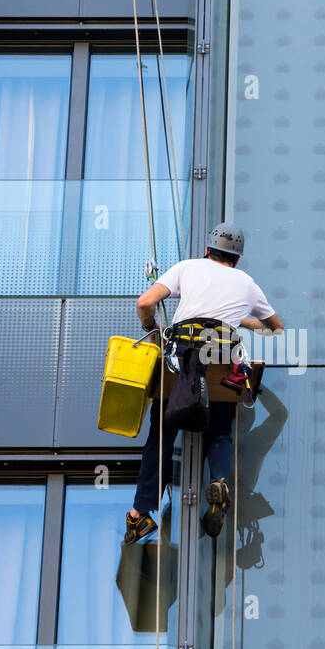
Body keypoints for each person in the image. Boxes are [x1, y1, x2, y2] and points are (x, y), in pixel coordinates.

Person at [124, 222, 284, 544]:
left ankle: (140, 514)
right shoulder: (247, 284)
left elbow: (145, 303)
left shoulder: (188, 268)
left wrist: (152, 326)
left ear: (208, 251)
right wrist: (244, 320)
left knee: (162, 434)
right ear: (236, 259)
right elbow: (276, 328)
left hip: (182, 358)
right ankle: (221, 484)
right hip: (223, 358)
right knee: (220, 431)